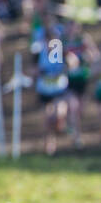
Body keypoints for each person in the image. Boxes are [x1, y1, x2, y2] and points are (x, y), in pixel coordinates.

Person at [31, 8, 70, 155]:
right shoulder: (39, 52)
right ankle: (49, 143)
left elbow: (67, 64)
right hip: (45, 89)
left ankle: (61, 127)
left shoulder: (58, 52)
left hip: (58, 89)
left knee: (58, 114)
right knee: (47, 118)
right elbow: (33, 70)